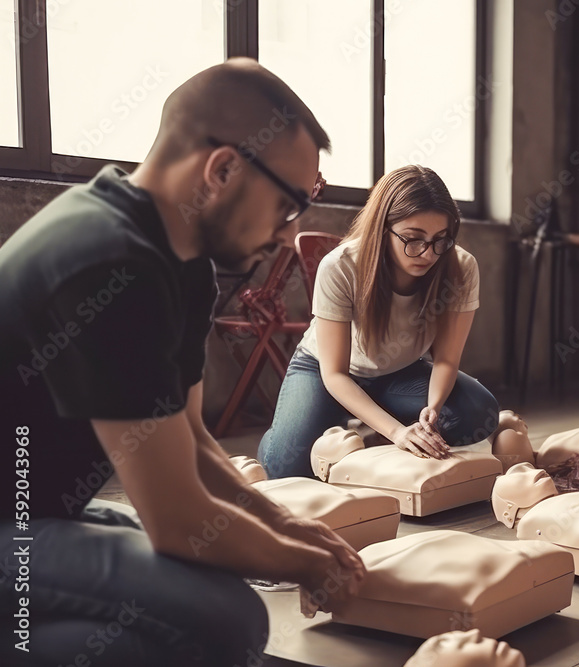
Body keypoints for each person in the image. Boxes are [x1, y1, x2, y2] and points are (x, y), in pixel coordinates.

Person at [0, 59, 366, 666]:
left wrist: (286, 526)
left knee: (216, 585)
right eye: (289, 205)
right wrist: (305, 563)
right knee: (227, 616)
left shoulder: (186, 261)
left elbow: (193, 441)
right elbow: (175, 518)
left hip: (39, 511)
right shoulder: (105, 257)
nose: (287, 234)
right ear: (222, 169)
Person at [257, 165, 499, 479]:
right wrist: (399, 432)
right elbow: (334, 374)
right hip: (325, 372)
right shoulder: (341, 267)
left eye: (440, 240)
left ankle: (375, 431)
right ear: (382, 229)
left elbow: (446, 360)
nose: (427, 253)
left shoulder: (461, 267)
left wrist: (433, 409)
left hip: (399, 374)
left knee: (478, 413)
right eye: (413, 239)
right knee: (286, 467)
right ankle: (290, 434)